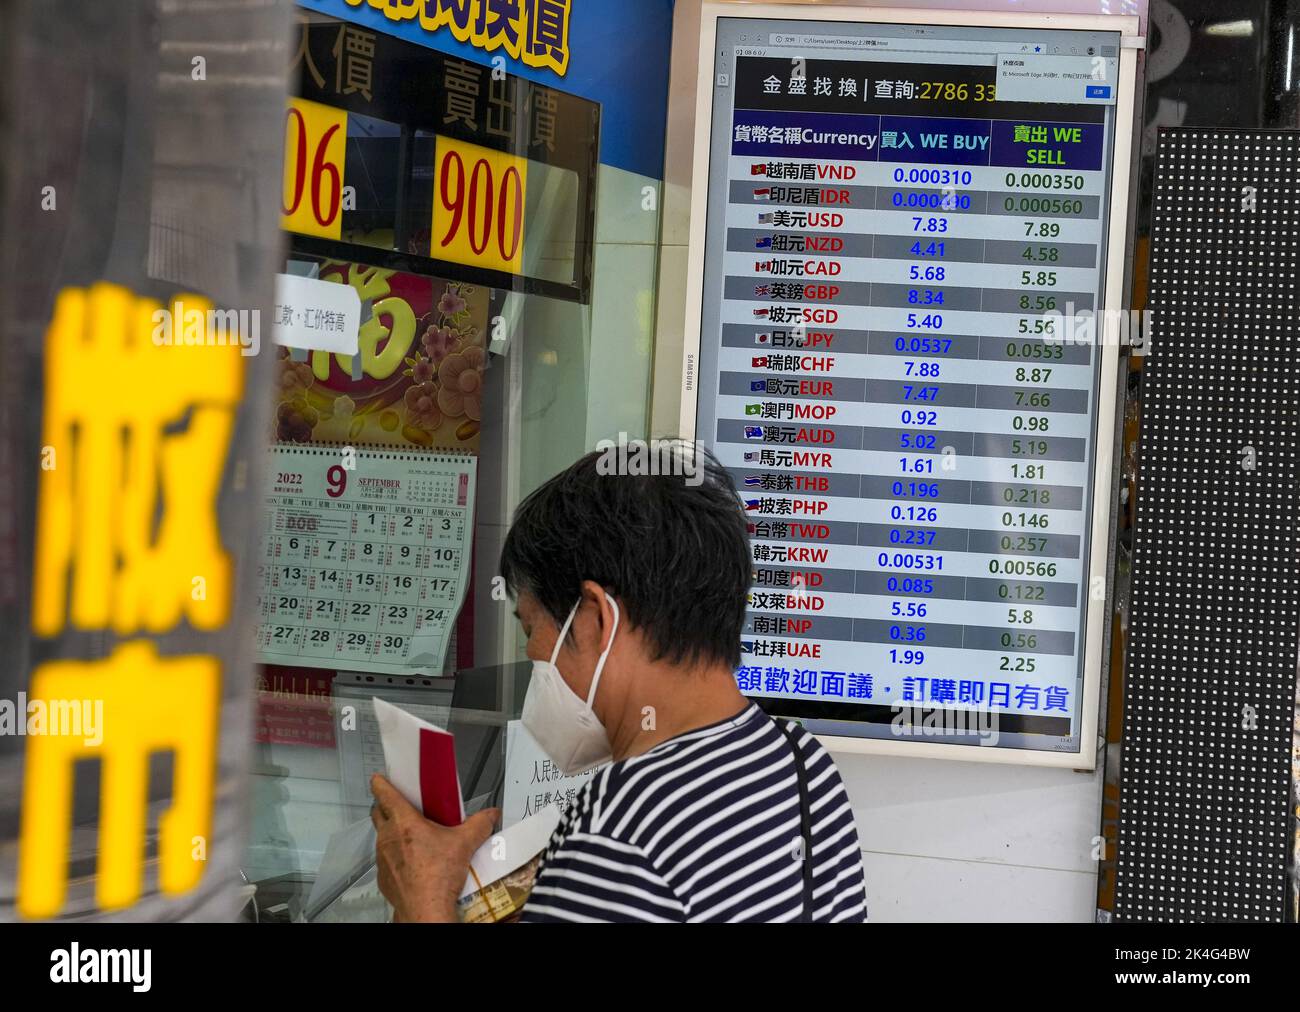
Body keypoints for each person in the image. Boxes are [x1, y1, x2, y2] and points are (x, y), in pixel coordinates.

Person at [370, 442, 867, 922]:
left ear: (593, 619)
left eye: (529, 627)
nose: (530, 654)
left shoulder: (621, 826)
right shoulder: (803, 762)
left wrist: (423, 898)